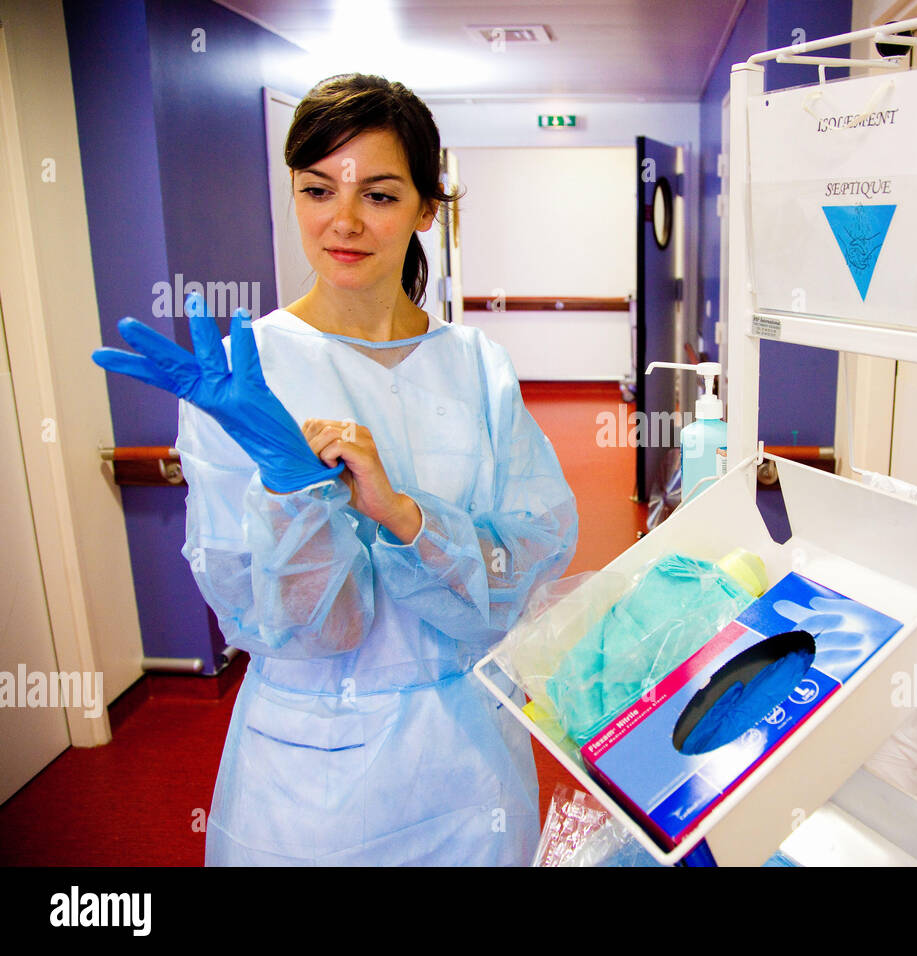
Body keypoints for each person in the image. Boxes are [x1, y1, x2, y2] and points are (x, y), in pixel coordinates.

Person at [92, 73, 578, 865]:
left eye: (380, 196)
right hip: (312, 780)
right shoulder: (243, 379)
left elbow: (524, 569)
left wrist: (404, 515)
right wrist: (293, 490)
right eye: (318, 189)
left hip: (469, 770)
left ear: (427, 208)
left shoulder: (478, 367)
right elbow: (292, 629)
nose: (343, 221)